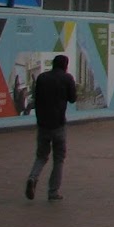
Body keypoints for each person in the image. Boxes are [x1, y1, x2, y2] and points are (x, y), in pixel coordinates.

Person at [25, 54, 77, 201]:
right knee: (59, 159)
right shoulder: (67, 78)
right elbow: (72, 99)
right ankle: (53, 191)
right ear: (65, 66)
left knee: (41, 156)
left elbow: (36, 99)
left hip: (43, 125)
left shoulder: (42, 78)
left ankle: (33, 177)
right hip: (59, 125)